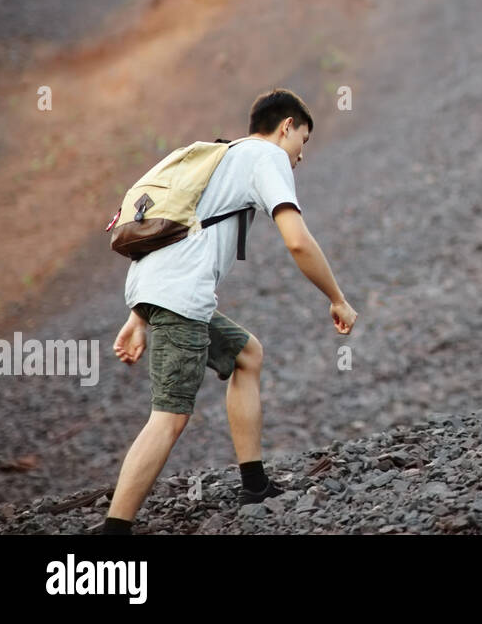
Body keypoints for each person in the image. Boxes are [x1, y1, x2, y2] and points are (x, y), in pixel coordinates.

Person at [101, 88, 357, 534]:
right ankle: (114, 529)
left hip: (159, 288)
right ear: (286, 128)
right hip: (180, 296)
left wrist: (138, 316)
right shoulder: (266, 158)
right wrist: (337, 298)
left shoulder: (224, 154)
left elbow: (174, 234)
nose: (301, 156)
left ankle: (254, 485)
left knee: (247, 354)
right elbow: (296, 239)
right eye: (304, 141)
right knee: (170, 415)